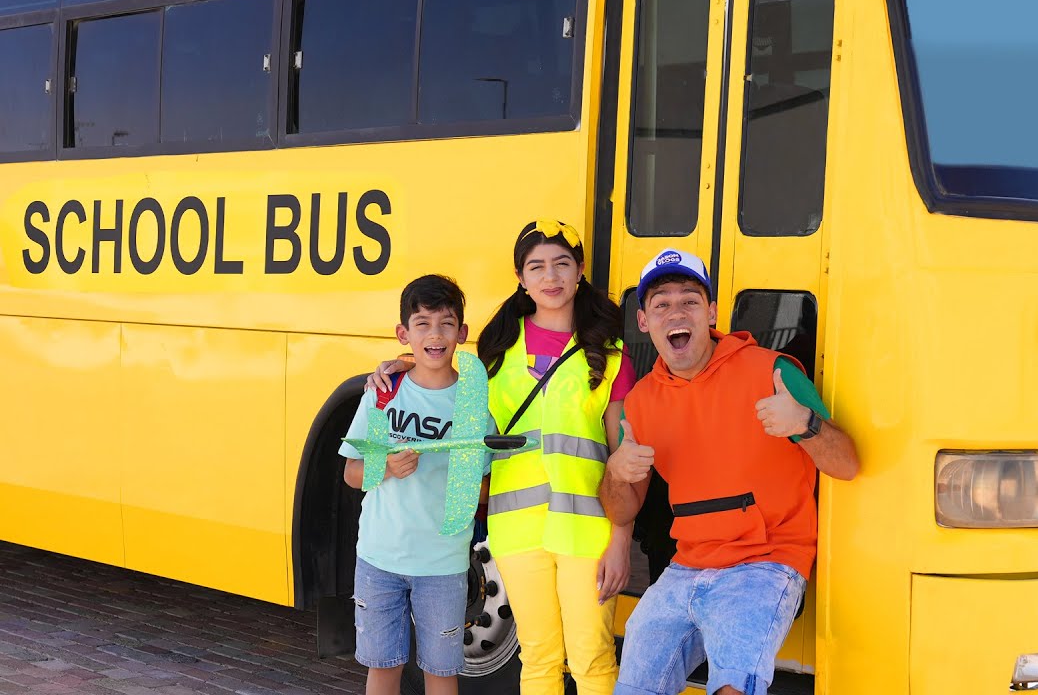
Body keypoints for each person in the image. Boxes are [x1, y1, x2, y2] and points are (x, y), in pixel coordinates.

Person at [370, 220, 637, 695]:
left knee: (592, 658)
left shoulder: (611, 357)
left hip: (587, 530)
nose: (550, 277)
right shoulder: (494, 353)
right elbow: (444, 378)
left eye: (561, 264)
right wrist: (401, 366)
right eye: (537, 266)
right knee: (538, 658)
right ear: (521, 277)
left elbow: (625, 459)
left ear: (579, 273)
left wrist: (621, 539)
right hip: (516, 529)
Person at [599, 249, 859, 695]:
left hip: (765, 562)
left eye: (689, 301)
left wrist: (805, 424)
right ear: (643, 322)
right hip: (686, 565)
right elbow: (623, 510)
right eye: (661, 305)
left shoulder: (772, 371)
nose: (675, 313)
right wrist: (617, 473)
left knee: (732, 689)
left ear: (711, 312)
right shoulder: (641, 401)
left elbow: (848, 464)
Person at [341, 274, 492, 695]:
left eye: (446, 323)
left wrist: (459, 482)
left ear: (462, 333)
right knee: (383, 667)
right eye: (422, 323)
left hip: (442, 566)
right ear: (403, 334)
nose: (435, 335)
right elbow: (353, 474)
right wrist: (385, 467)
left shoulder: (474, 406)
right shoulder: (384, 393)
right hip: (378, 559)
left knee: (441, 674)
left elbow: (483, 492)